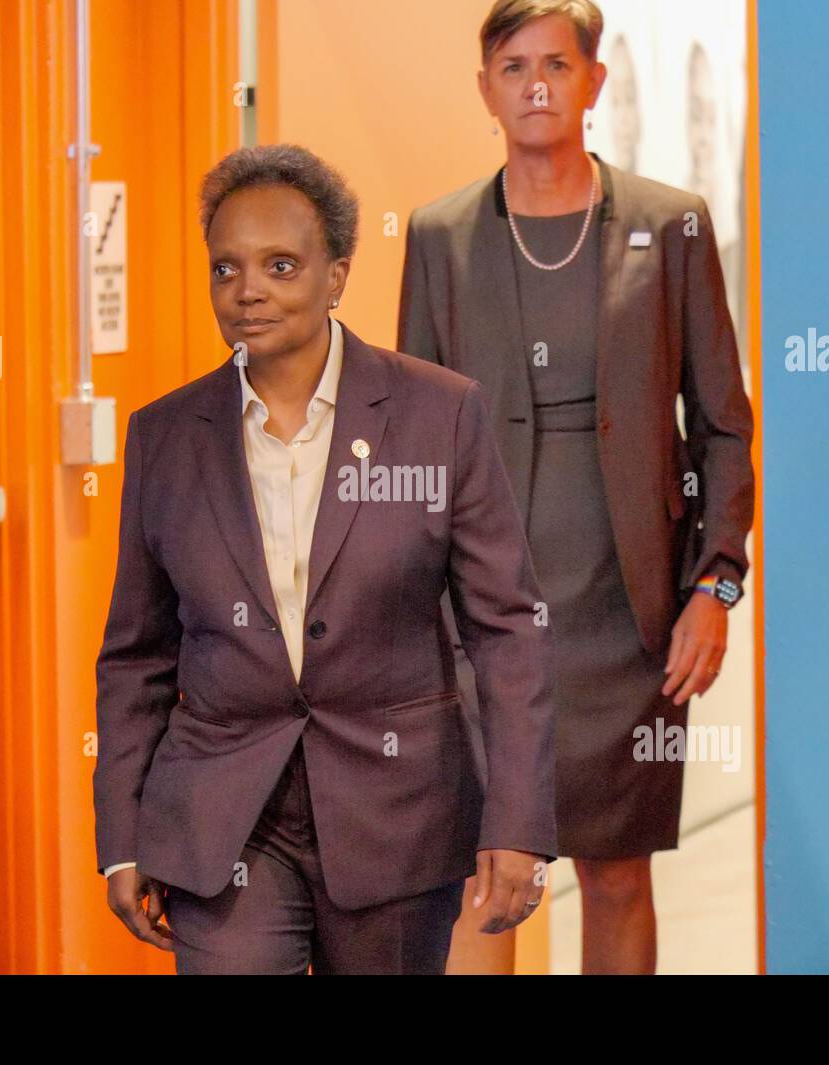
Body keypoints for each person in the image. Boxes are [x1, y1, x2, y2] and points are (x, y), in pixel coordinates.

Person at [93, 143, 557, 975]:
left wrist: (516, 820)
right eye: (225, 268)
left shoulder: (439, 415)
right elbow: (136, 654)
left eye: (279, 264)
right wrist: (122, 838)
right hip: (227, 815)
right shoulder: (164, 436)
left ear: (336, 274)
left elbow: (507, 629)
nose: (248, 290)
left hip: (397, 815)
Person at [397, 0, 755, 974]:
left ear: (595, 81)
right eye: (513, 67)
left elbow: (722, 424)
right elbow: (408, 449)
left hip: (626, 623)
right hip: (481, 625)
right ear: (485, 89)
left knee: (616, 875)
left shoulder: (668, 224)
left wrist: (713, 587)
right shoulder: (439, 237)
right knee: (486, 876)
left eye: (556, 63)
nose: (537, 85)